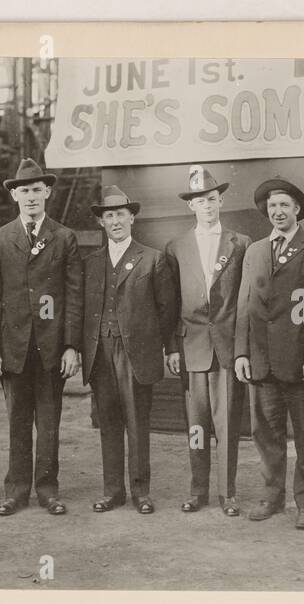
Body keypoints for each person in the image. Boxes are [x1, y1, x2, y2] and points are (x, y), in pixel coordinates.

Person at [0, 158, 83, 516]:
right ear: (14, 196)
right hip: (13, 348)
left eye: (37, 190)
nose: (31, 197)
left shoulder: (64, 237)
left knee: (49, 422)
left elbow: (73, 296)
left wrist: (71, 346)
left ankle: (48, 490)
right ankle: (16, 490)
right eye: (24, 191)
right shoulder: (0, 238)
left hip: (52, 350)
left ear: (48, 193)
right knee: (17, 422)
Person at [234, 177, 304, 530]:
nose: (277, 211)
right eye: (272, 206)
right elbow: (245, 305)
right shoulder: (256, 250)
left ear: (296, 210)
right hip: (261, 363)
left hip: (299, 363)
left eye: (284, 206)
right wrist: (240, 353)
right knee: (266, 435)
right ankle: (271, 496)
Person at [80, 184, 176, 514]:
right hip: (99, 352)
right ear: (101, 223)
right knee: (108, 423)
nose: (116, 220)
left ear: (132, 217)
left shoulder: (152, 259)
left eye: (121, 213)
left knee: (137, 423)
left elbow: (167, 310)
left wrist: (170, 348)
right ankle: (112, 491)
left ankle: (140, 491)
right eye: (109, 215)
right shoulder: (90, 263)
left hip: (136, 352)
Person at [163, 165, 252, 516]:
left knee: (227, 425)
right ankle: (197, 489)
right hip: (191, 347)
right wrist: (171, 347)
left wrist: (243, 349)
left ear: (221, 201)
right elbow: (169, 303)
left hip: (228, 348)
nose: (208, 206)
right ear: (191, 206)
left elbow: (244, 301)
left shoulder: (240, 243)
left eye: (212, 199)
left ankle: (227, 493)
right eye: (201, 201)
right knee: (196, 424)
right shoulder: (176, 247)